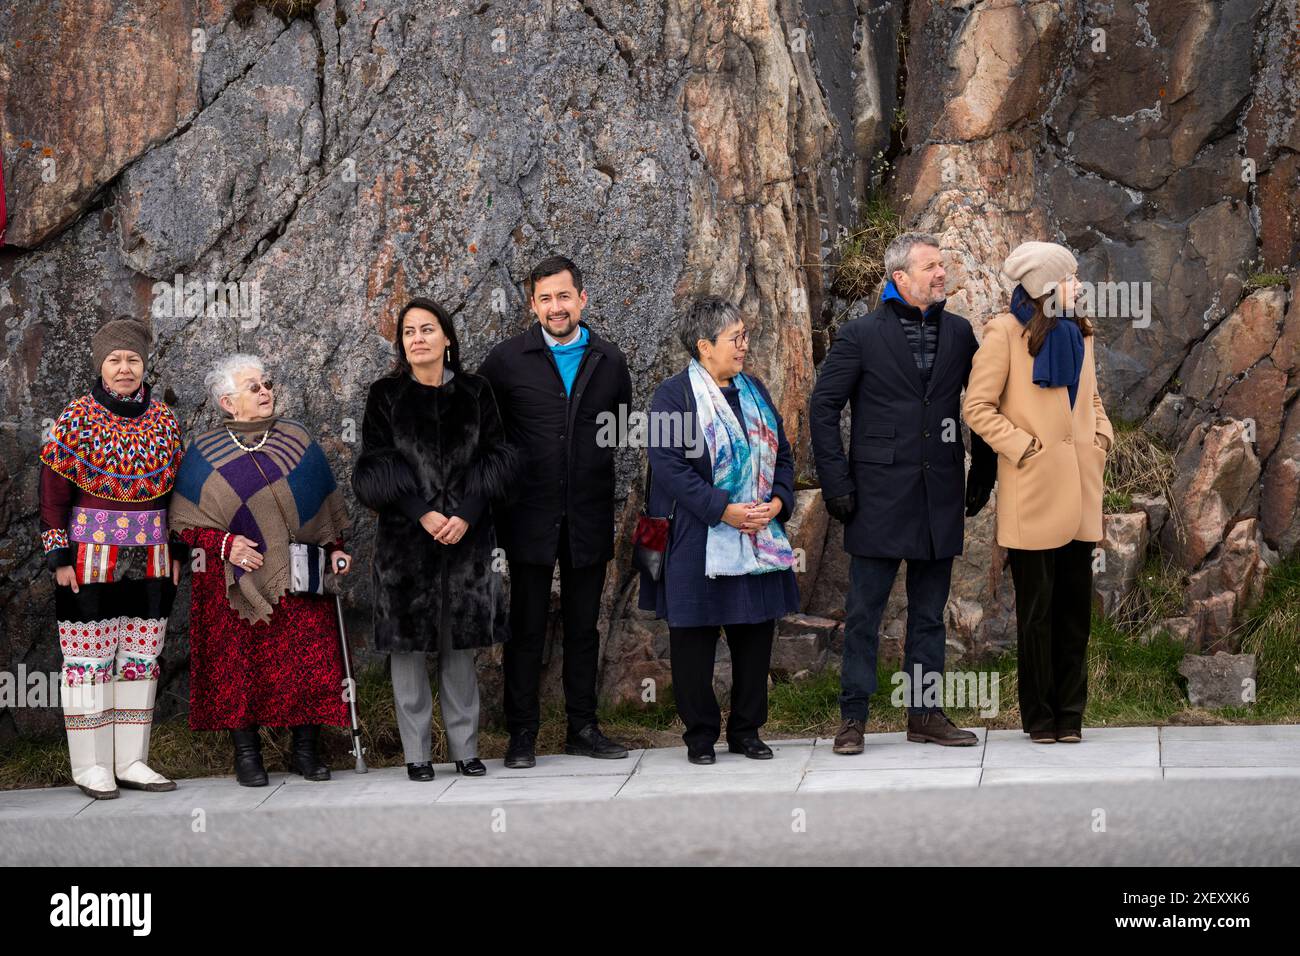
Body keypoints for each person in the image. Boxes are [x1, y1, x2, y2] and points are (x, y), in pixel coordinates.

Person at [809, 232, 996, 754]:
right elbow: (822, 409)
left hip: (939, 495)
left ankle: (925, 715)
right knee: (864, 614)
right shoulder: (861, 335)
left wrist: (983, 467)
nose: (941, 273)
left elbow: (980, 403)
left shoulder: (960, 334)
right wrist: (837, 484)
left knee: (929, 615)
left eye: (942, 265)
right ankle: (853, 720)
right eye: (930, 266)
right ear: (900, 278)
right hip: (874, 498)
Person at [478, 255, 633, 768]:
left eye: (564, 296)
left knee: (583, 627)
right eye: (544, 298)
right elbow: (486, 438)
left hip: (587, 514)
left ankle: (582, 728)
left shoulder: (610, 361)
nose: (555, 307)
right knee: (525, 628)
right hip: (527, 518)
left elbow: (620, 432)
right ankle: (522, 734)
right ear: (532, 305)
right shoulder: (505, 362)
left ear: (582, 299)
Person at [170, 354, 353, 786]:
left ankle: (306, 752)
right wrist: (226, 544)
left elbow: (322, 507)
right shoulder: (203, 454)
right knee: (239, 665)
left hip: (296, 573)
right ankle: (247, 755)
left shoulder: (297, 440)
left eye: (266, 383)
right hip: (233, 582)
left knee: (307, 658)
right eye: (254, 387)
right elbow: (184, 523)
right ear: (229, 403)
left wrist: (337, 548)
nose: (265, 391)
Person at [352, 298, 515, 780]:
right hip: (405, 542)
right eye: (408, 332)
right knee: (407, 650)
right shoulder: (385, 396)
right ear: (402, 343)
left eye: (428, 329)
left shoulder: (477, 391)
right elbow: (377, 465)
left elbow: (496, 459)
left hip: (468, 541)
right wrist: (422, 514)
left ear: (447, 337)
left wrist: (465, 514)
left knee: (458, 646)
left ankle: (466, 749)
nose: (418, 338)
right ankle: (416, 755)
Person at [963, 242, 1113, 743]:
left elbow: (1091, 397)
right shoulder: (1004, 333)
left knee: (1075, 614)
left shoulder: (1082, 332)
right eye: (1071, 278)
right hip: (1032, 492)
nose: (1080, 285)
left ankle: (1071, 717)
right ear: (1046, 287)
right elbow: (978, 408)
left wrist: (1101, 440)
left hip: (1081, 490)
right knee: (1037, 616)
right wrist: (1024, 447)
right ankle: (1041, 719)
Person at [640, 299, 800, 764]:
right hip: (698, 536)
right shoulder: (674, 396)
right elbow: (668, 467)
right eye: (737, 338)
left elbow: (783, 456)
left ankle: (747, 730)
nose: (745, 346)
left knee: (754, 636)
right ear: (704, 346)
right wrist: (723, 509)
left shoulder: (756, 391)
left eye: (745, 336)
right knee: (694, 640)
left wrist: (778, 502)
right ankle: (700, 736)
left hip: (758, 533)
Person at [39, 316, 185, 799]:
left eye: (133, 360)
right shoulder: (75, 418)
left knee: (141, 658)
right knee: (88, 659)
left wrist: (179, 547)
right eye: (115, 360)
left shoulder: (165, 420)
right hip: (88, 557)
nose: (125, 369)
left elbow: (180, 495)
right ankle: (91, 764)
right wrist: (58, 554)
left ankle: (131, 759)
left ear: (145, 365)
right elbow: (53, 495)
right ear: (101, 365)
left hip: (152, 557)